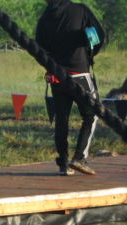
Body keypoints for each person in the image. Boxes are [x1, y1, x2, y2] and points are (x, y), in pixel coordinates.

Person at [35, 0, 105, 177]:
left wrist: (52, 65)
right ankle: (79, 157)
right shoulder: (80, 10)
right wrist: (88, 55)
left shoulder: (44, 18)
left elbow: (39, 50)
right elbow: (100, 35)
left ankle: (63, 164)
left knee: (61, 119)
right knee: (91, 115)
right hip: (79, 74)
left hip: (57, 77)